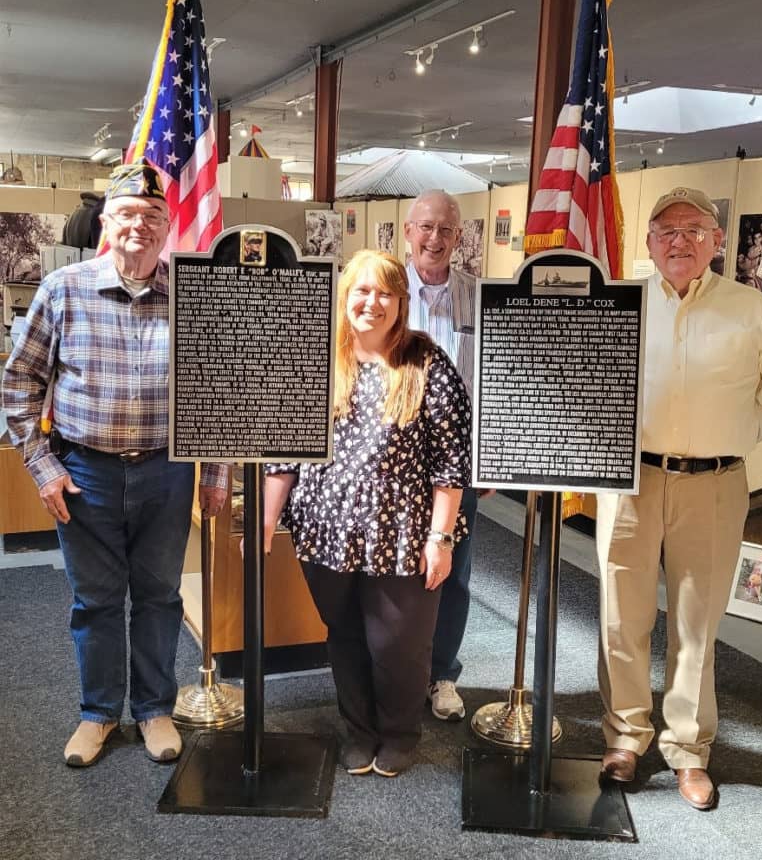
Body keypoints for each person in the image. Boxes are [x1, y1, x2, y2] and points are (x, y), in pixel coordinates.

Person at [2, 159, 229, 768]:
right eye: (128, 214)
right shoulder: (64, 289)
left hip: (166, 470)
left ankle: (154, 709)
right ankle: (98, 714)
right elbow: (18, 384)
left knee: (158, 597)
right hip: (85, 475)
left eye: (154, 216)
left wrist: (216, 470)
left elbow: (216, 386)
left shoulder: (190, 292)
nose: (141, 226)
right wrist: (44, 468)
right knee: (96, 601)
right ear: (107, 222)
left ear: (168, 225)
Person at [596, 186, 762, 810]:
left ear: (719, 241)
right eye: (666, 229)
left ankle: (688, 749)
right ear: (648, 242)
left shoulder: (753, 311)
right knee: (622, 616)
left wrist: (727, 436)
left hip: (715, 483)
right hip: (629, 481)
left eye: (694, 229)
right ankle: (625, 736)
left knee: (696, 623)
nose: (679, 240)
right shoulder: (618, 304)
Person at [263, 250, 471, 777]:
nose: (371, 303)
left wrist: (440, 539)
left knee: (398, 642)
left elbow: (451, 462)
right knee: (346, 633)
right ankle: (359, 729)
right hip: (325, 529)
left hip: (403, 530)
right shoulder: (317, 359)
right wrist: (266, 522)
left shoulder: (428, 364)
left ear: (401, 303)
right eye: (361, 290)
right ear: (344, 296)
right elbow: (286, 455)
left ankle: (399, 732)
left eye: (384, 293)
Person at [403, 190, 478, 722]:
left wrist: (491, 456)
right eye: (426, 227)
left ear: (459, 236)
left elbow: (498, 379)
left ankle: (442, 675)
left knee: (452, 571)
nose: (435, 239)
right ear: (407, 231)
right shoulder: (382, 292)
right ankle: (399, 673)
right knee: (393, 571)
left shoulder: (481, 297)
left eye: (446, 230)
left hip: (461, 462)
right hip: (393, 461)